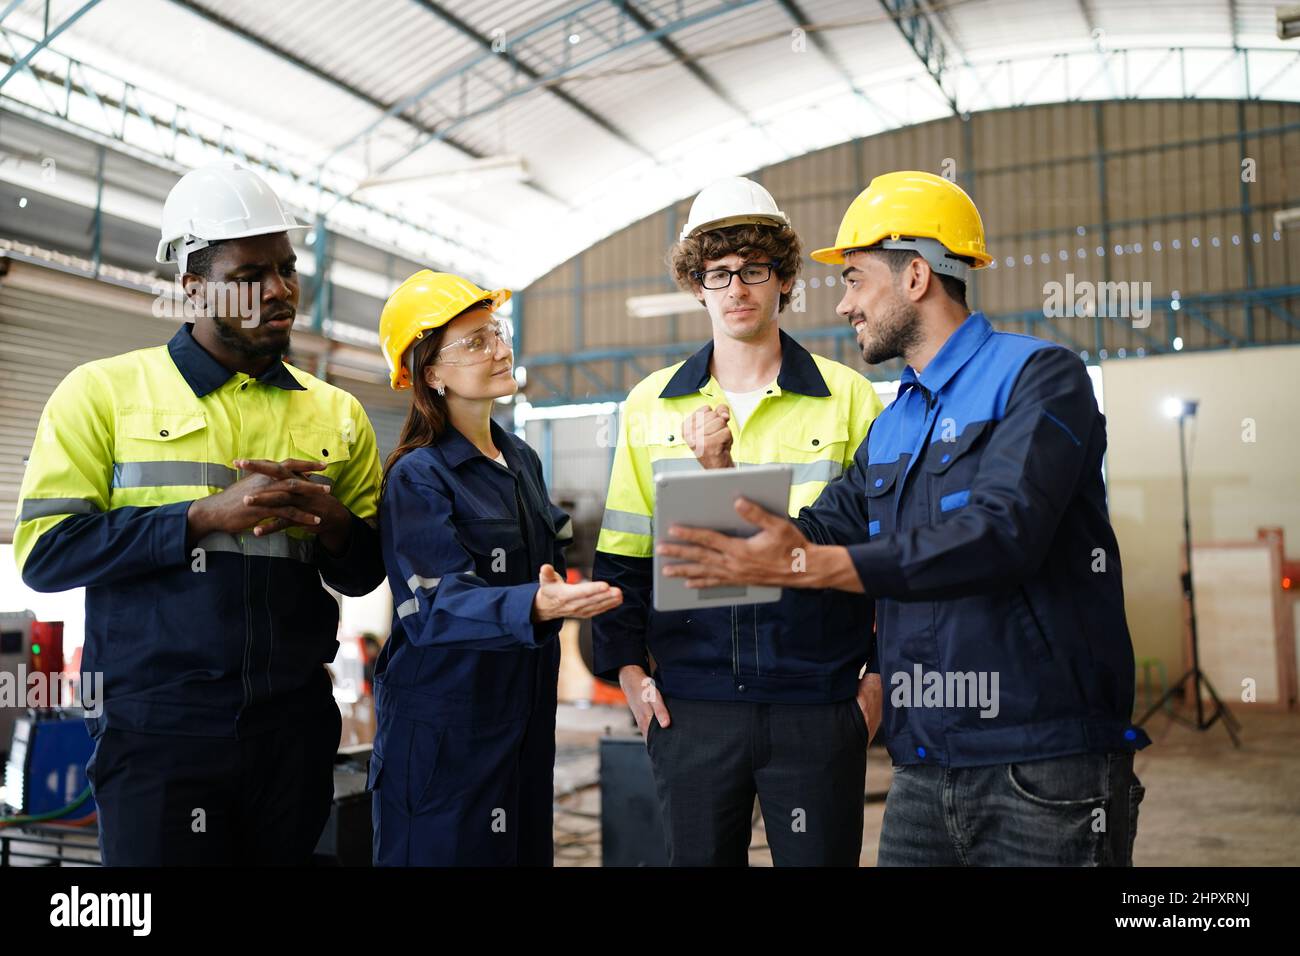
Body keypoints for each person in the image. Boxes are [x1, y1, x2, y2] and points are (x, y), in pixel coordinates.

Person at [658, 170, 1150, 866]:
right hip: (921, 768)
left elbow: (1003, 534)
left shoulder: (1040, 377)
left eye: (856, 279)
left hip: (1043, 765)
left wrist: (810, 564)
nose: (845, 304)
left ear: (915, 275)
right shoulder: (895, 423)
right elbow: (822, 531)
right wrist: (723, 478)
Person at [14, 162, 386, 865]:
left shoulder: (336, 412)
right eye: (250, 276)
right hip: (158, 737)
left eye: (286, 268)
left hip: (292, 735)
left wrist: (331, 522)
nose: (278, 291)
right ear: (193, 287)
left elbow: (365, 574)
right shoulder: (101, 394)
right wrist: (202, 517)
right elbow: (46, 554)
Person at [592, 177, 885, 866]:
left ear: (783, 279)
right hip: (693, 712)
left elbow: (886, 557)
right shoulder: (649, 406)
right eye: (717, 273)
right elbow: (624, 560)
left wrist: (873, 693)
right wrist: (631, 677)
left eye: (754, 270)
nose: (736, 289)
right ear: (697, 285)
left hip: (817, 704)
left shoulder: (850, 400)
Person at [371, 270, 622, 866]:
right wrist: (533, 606)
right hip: (444, 737)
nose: (501, 349)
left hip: (524, 725)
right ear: (429, 372)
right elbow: (431, 607)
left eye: (497, 332)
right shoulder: (418, 476)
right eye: (475, 341)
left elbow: (547, 568)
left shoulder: (521, 459)